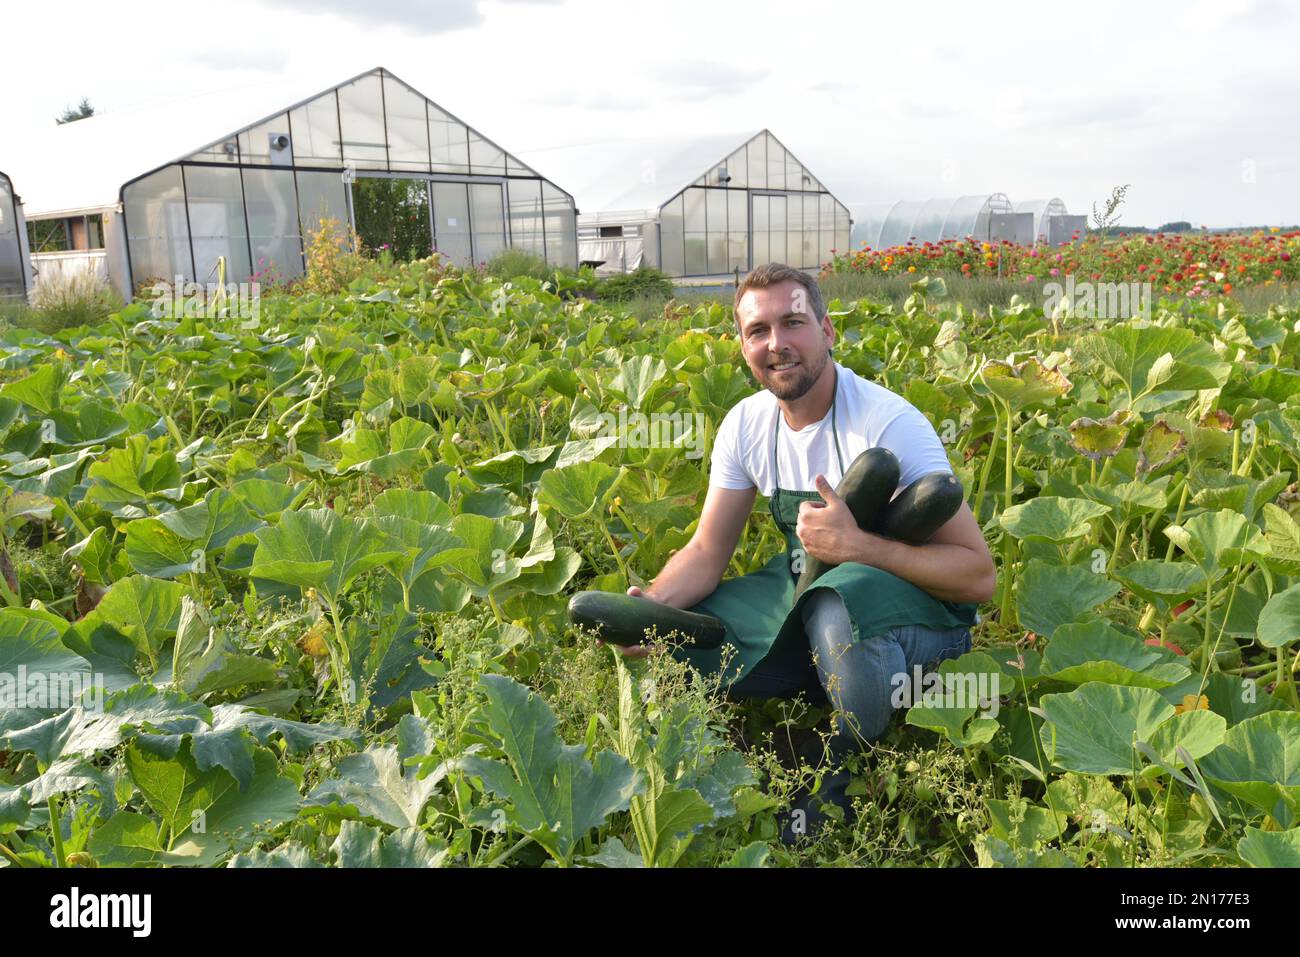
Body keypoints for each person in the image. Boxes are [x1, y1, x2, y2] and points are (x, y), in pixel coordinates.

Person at [609, 263, 996, 843]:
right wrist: (656, 606)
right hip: (801, 584)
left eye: (792, 322)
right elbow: (708, 550)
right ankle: (819, 676)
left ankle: (841, 769)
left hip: (917, 615)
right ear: (743, 346)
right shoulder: (747, 424)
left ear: (827, 330)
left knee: (837, 607)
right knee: (696, 633)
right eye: (757, 330)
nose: (776, 343)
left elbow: (977, 578)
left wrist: (861, 546)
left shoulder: (887, 425)